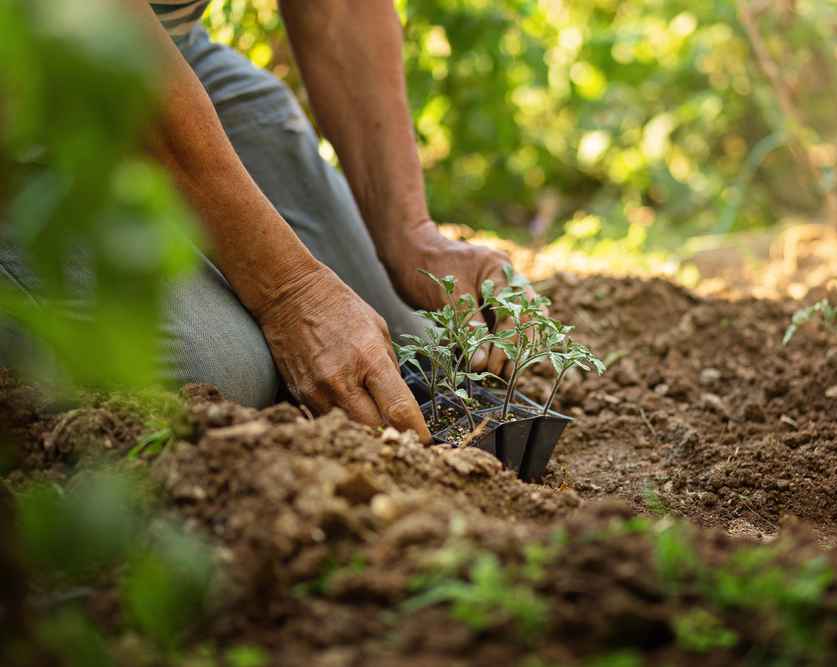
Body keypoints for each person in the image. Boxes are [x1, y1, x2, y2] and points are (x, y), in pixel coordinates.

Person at [1, 0, 532, 443]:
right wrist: (288, 289)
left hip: (172, 57)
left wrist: (409, 233)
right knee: (222, 378)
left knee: (419, 341)